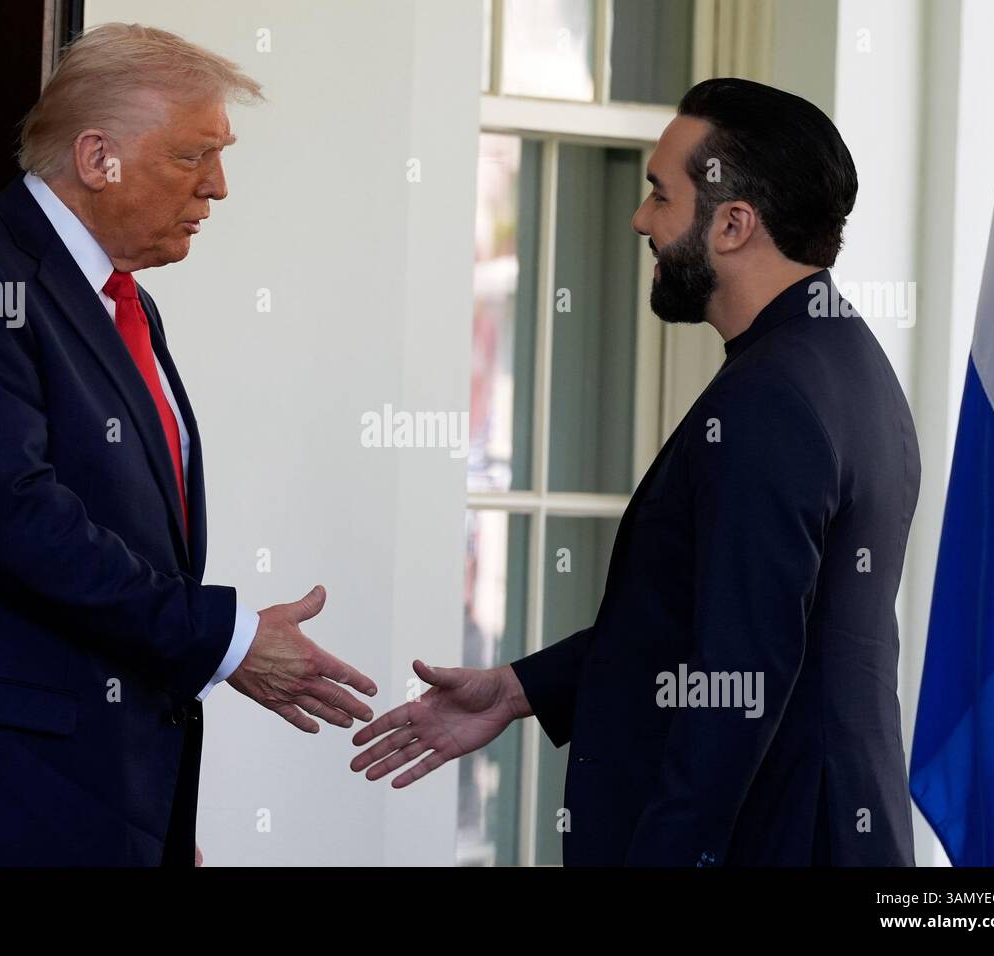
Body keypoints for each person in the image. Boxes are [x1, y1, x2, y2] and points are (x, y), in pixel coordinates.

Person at [353, 78, 921, 867]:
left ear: (731, 224)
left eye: (660, 194)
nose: (641, 220)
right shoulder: (843, 359)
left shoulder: (773, 397)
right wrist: (520, 689)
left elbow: (737, 684)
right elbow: (706, 624)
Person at [0, 23, 377, 866]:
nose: (217, 187)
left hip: (114, 795)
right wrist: (227, 637)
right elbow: (18, 518)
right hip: (16, 799)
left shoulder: (119, 294)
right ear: (98, 157)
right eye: (192, 156)